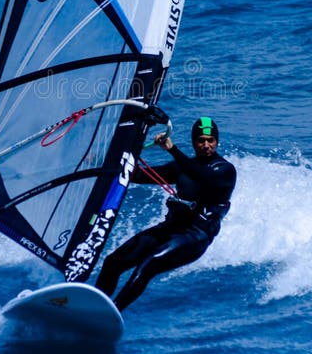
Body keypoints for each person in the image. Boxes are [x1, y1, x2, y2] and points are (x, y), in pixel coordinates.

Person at [95, 117, 236, 311]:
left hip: (195, 236)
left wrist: (172, 149)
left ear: (217, 141)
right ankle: (91, 306)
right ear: (193, 142)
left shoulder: (225, 170)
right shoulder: (182, 166)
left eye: (210, 140)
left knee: (149, 264)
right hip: (170, 229)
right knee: (113, 262)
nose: (206, 145)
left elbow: (202, 177)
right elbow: (139, 176)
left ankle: (112, 311)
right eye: (201, 140)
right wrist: (108, 162)